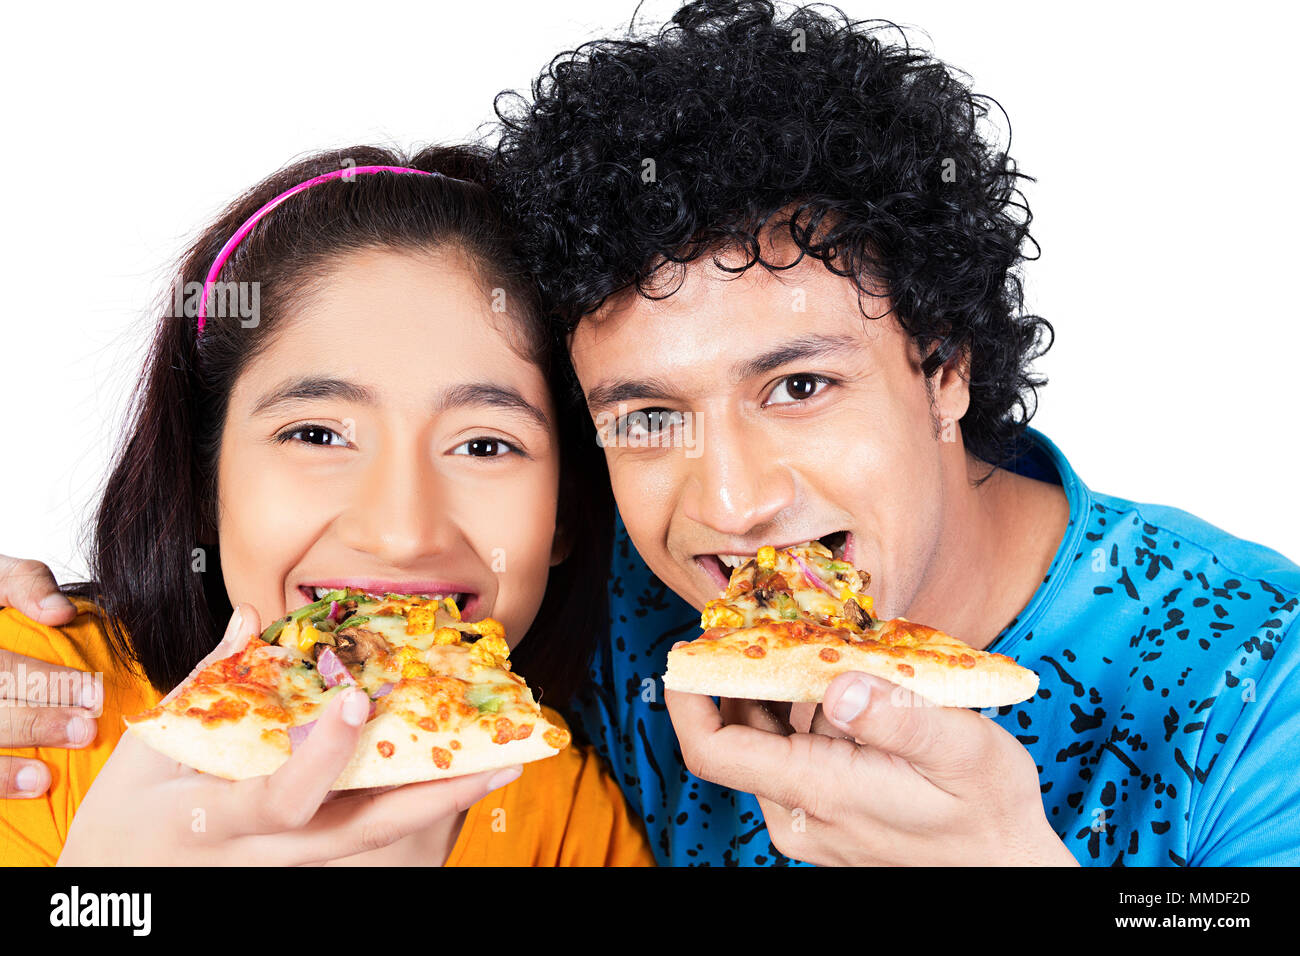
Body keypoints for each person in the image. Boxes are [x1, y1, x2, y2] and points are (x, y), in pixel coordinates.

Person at [485, 0, 1300, 865]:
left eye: (799, 387)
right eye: (649, 418)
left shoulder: (1259, 673)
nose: (731, 504)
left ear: (945, 369)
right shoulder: (595, 609)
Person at [0, 145, 652, 866]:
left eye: (483, 446)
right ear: (204, 476)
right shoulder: (35, 708)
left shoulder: (567, 819)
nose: (401, 534)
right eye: (317, 435)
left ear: (564, 513)